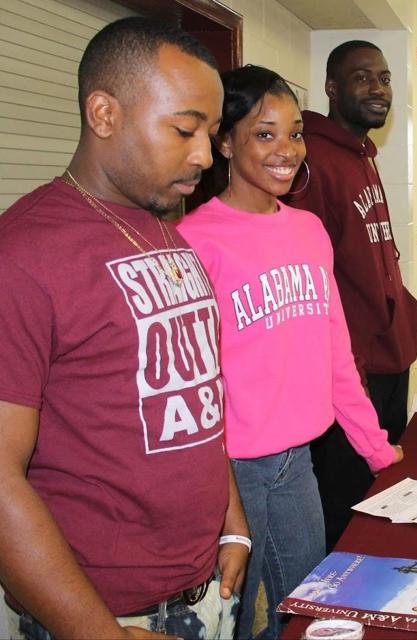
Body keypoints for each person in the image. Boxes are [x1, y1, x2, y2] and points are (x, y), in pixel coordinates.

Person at [0, 17, 249, 639]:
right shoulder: (24, 256)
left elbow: (196, 399)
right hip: (97, 613)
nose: (202, 154)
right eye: (184, 129)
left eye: (212, 133)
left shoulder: (162, 225)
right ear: (104, 114)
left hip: (200, 592)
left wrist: (233, 521)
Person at [178, 65, 404, 639]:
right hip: (228, 475)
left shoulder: (307, 230)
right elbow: (189, 382)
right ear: (224, 141)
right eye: (264, 133)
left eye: (296, 133)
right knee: (225, 623)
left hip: (299, 463)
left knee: (308, 617)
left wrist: (377, 450)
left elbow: (336, 354)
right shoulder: (194, 242)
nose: (287, 150)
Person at [286, 40, 417, 550]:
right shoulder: (313, 159)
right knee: (344, 502)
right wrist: (346, 363)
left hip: (389, 354)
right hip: (350, 368)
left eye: (384, 78)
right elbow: (310, 275)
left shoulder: (363, 156)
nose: (378, 88)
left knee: (383, 491)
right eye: (362, 77)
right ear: (331, 88)